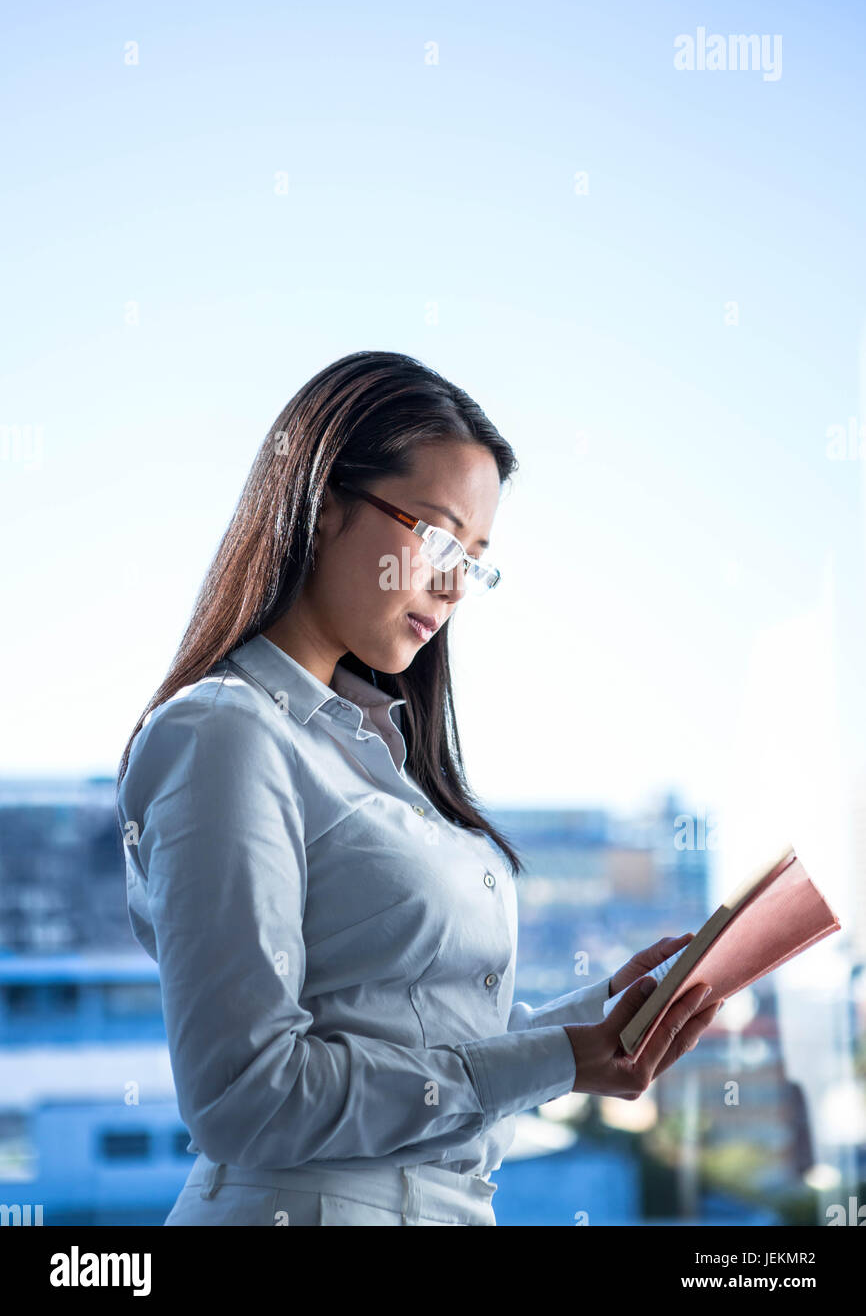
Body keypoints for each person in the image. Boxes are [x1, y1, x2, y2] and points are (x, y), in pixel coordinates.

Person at [115, 350, 721, 1226]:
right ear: (325, 504)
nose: (453, 586)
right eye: (437, 538)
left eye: (474, 560)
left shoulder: (374, 750)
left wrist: (587, 1028)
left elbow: (409, 1045)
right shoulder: (225, 734)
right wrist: (557, 1061)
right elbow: (246, 1096)